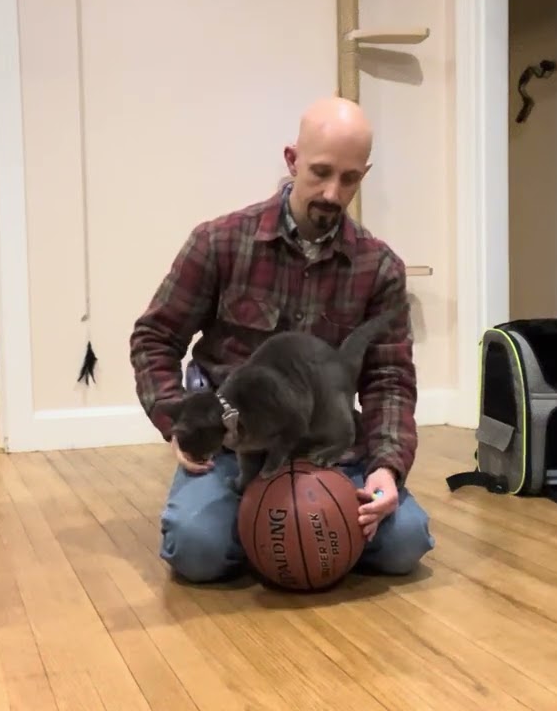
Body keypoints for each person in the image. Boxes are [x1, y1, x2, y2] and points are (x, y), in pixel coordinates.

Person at [128, 97, 435, 583]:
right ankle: (284, 533)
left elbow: (389, 381)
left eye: (350, 178)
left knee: (405, 544)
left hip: (329, 445)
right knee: (196, 551)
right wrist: (177, 420)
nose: (333, 194)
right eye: (321, 172)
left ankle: (282, 533)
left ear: (364, 175)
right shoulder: (219, 242)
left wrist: (386, 469)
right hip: (235, 447)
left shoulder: (379, 268)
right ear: (292, 160)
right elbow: (155, 336)